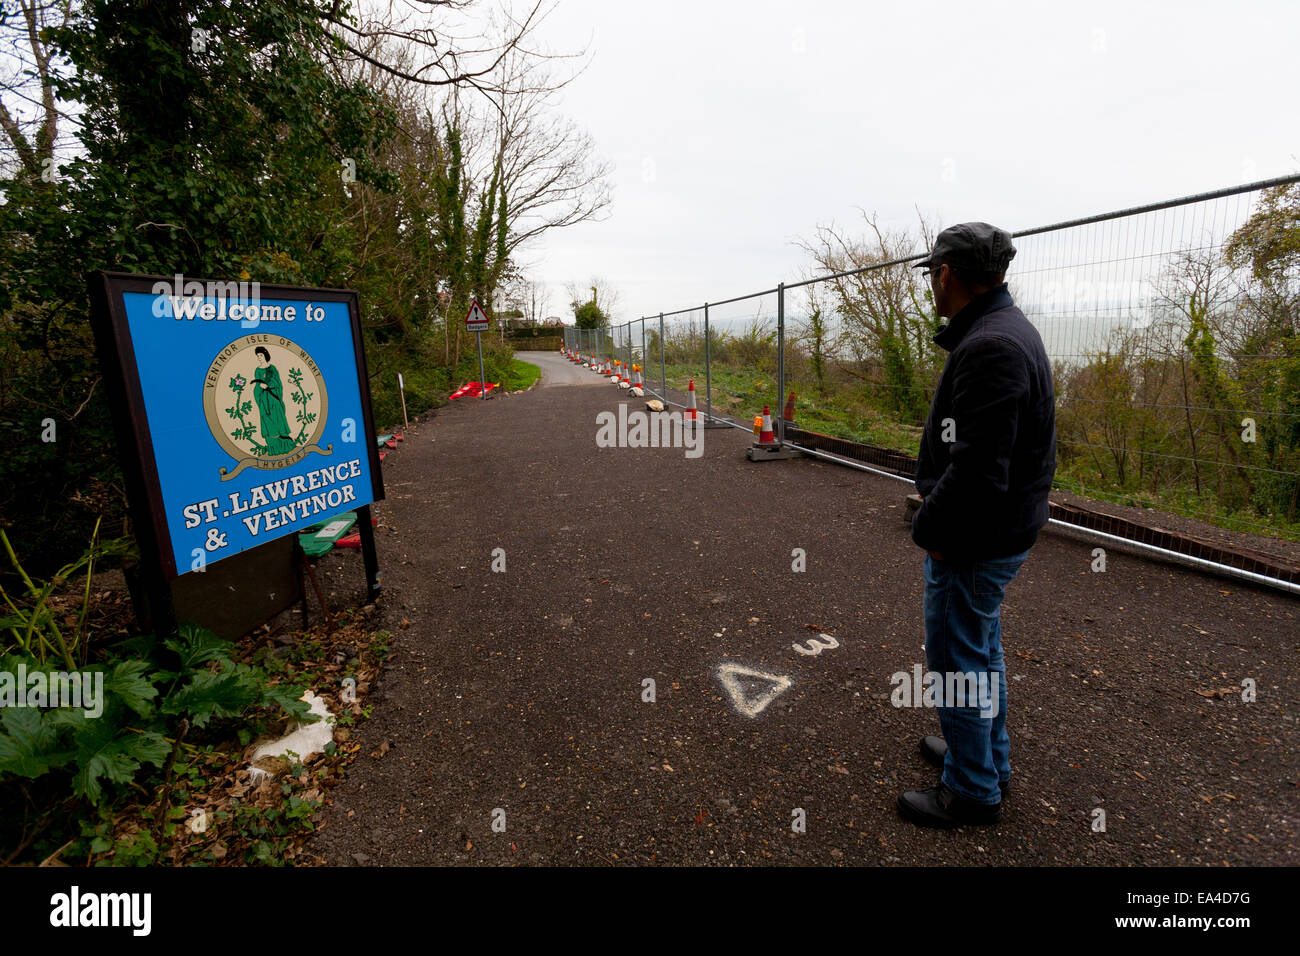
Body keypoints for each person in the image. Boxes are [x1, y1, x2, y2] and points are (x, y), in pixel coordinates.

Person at [898, 222, 1057, 828]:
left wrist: (930, 533)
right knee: (981, 652)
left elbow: (978, 474)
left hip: (973, 540)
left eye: (933, 275)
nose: (933, 285)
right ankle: (985, 758)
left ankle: (970, 789)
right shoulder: (1007, 329)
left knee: (958, 662)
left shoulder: (989, 345)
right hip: (999, 532)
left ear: (947, 275)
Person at [252, 346, 297, 455]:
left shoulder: (272, 369)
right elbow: (257, 387)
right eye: (258, 356)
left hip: (273, 399)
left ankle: (285, 445)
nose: (259, 358)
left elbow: (278, 383)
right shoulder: (257, 370)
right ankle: (273, 448)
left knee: (278, 420)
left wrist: (269, 385)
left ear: (265, 355)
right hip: (264, 400)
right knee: (267, 422)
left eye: (261, 355)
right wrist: (260, 387)